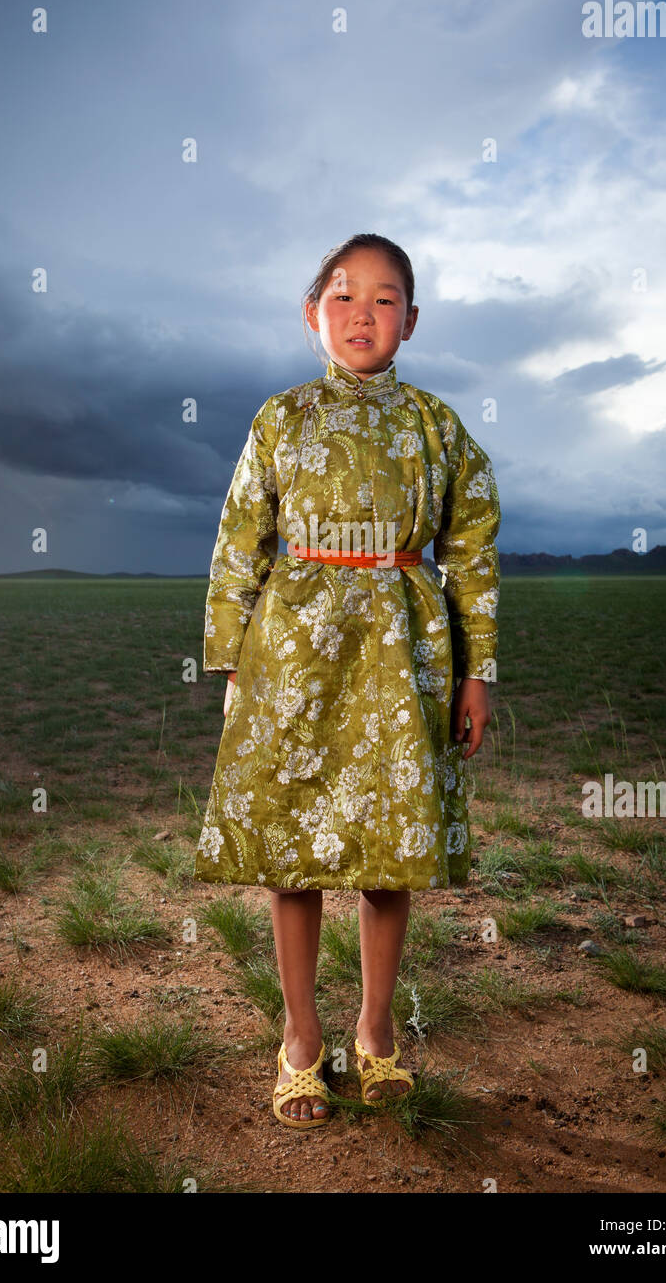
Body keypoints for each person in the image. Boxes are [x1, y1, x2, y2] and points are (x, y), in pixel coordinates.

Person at [194, 233, 501, 1127]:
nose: (362, 313)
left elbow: (473, 550)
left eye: (384, 298)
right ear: (311, 315)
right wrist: (233, 660)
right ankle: (299, 1040)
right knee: (294, 850)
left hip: (403, 654)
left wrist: (476, 670)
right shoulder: (280, 419)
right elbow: (237, 540)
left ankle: (374, 1034)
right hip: (292, 657)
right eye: (342, 295)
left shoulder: (438, 427)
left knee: (386, 851)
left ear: (411, 319)